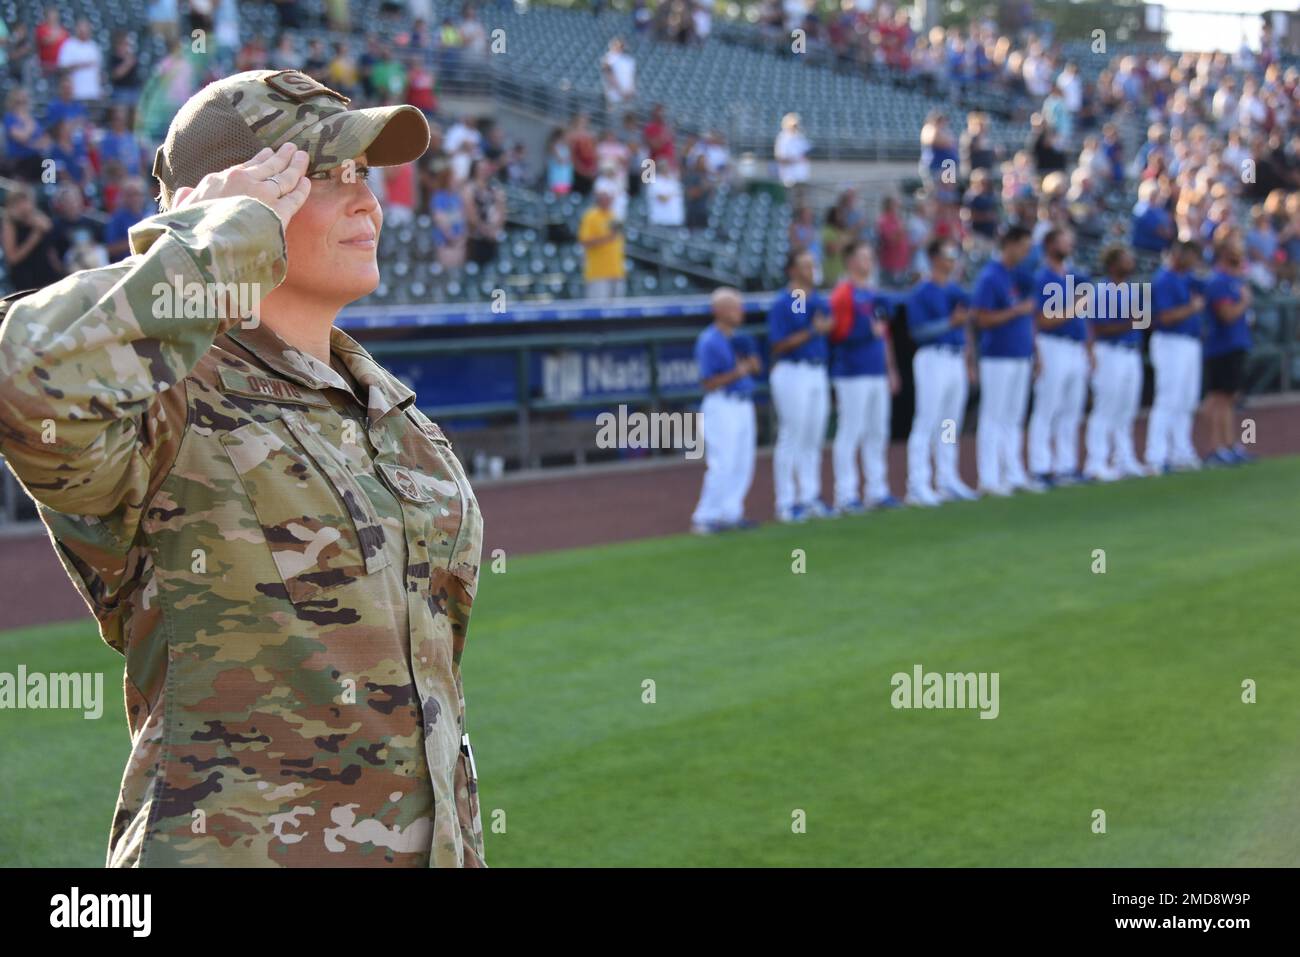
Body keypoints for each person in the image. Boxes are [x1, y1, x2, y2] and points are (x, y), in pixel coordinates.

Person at [0, 69, 486, 868]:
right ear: (240, 195)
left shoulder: (400, 419)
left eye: (365, 175)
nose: (369, 202)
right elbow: (23, 381)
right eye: (327, 175)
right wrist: (211, 237)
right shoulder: (161, 402)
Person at [828, 241, 901, 513]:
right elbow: (836, 334)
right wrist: (865, 333)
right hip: (852, 371)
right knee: (851, 430)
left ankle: (877, 490)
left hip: (876, 371)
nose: (867, 262)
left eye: (870, 257)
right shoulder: (843, 294)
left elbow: (885, 337)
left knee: (877, 430)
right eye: (862, 257)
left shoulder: (874, 294)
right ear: (850, 261)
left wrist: (891, 368)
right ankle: (845, 494)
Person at [905, 240, 978, 505]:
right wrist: (950, 322)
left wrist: (969, 362)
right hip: (932, 357)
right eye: (948, 255)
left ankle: (947, 478)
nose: (952, 260)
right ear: (934, 257)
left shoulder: (956, 291)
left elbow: (966, 328)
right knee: (927, 419)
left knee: (949, 422)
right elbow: (918, 332)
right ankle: (918, 483)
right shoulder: (921, 291)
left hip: (955, 358)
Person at [972, 226, 1042, 496]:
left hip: (1020, 353)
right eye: (1023, 246)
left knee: (1014, 417)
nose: (1027, 252)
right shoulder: (991, 276)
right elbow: (981, 318)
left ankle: (1013, 473)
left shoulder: (1019, 275)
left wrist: (1035, 351)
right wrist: (1015, 311)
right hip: (997, 355)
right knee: (993, 416)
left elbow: (1029, 317)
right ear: (1010, 244)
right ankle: (989, 478)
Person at [767, 249, 835, 522]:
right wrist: (812, 330)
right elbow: (778, 344)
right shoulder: (786, 301)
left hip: (817, 370)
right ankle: (785, 501)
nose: (811, 270)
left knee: (813, 436)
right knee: (791, 436)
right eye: (805, 265)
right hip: (792, 371)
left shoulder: (818, 300)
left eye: (812, 265)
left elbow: (828, 328)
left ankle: (809, 496)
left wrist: (823, 329)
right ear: (792, 270)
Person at [691, 287, 759, 533]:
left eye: (739, 306)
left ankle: (730, 512)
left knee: (743, 462)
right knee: (722, 463)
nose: (739, 311)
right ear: (718, 311)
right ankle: (706, 516)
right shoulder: (710, 340)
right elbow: (708, 382)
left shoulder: (740, 338)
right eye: (733, 307)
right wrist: (738, 372)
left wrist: (750, 365)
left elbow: (756, 369)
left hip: (743, 402)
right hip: (721, 404)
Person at [1026, 227, 1089, 485]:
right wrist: (1074, 307)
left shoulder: (1074, 276)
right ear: (1050, 245)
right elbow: (1041, 320)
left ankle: (1066, 464)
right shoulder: (1041, 277)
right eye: (1064, 241)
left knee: (1072, 408)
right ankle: (1040, 466)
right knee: (1047, 407)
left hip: (1075, 346)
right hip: (1051, 344)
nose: (1069, 245)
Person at [1083, 245, 1147, 481]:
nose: (1130, 262)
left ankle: (1124, 458)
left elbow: (1142, 323)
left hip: (1131, 352)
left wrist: (1136, 321)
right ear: (1113, 264)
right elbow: (1099, 327)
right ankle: (1096, 462)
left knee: (1127, 409)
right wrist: (1130, 322)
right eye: (1125, 259)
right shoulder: (1102, 291)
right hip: (1109, 352)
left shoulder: (1132, 290)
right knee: (1105, 408)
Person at [1146, 239, 1206, 472]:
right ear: (1178, 255)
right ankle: (1156, 456)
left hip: (1189, 343)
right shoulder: (1164, 279)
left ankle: (1181, 451)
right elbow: (1164, 318)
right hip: (1170, 342)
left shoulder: (1186, 278)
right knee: (1168, 398)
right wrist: (1192, 308)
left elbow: (1206, 283)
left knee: (1187, 399)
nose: (1194, 261)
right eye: (1191, 256)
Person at [1201, 237, 1256, 465]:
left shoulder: (1234, 280)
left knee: (1230, 397)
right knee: (1219, 397)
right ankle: (1217, 447)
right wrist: (1245, 302)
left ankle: (1230, 444)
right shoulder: (1219, 281)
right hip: (1222, 346)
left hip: (1235, 345)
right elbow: (1226, 314)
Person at [0, 184, 62, 291]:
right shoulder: (9, 225)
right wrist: (34, 237)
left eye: (25, 201)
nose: (23, 206)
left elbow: (48, 229)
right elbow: (12, 258)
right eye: (18, 203)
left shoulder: (37, 218)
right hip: (26, 278)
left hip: (47, 273)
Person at [578, 185, 626, 299]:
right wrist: (606, 238)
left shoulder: (614, 215)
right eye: (604, 197)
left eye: (609, 197)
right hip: (598, 274)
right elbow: (584, 242)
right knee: (598, 312)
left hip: (616, 271)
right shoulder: (591, 216)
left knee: (619, 313)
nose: (607, 200)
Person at [774, 112, 811, 193]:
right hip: (788, 177)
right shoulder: (783, 139)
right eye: (794, 125)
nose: (796, 127)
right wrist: (795, 160)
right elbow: (780, 158)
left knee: (801, 199)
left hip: (801, 176)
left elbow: (807, 152)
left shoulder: (800, 137)